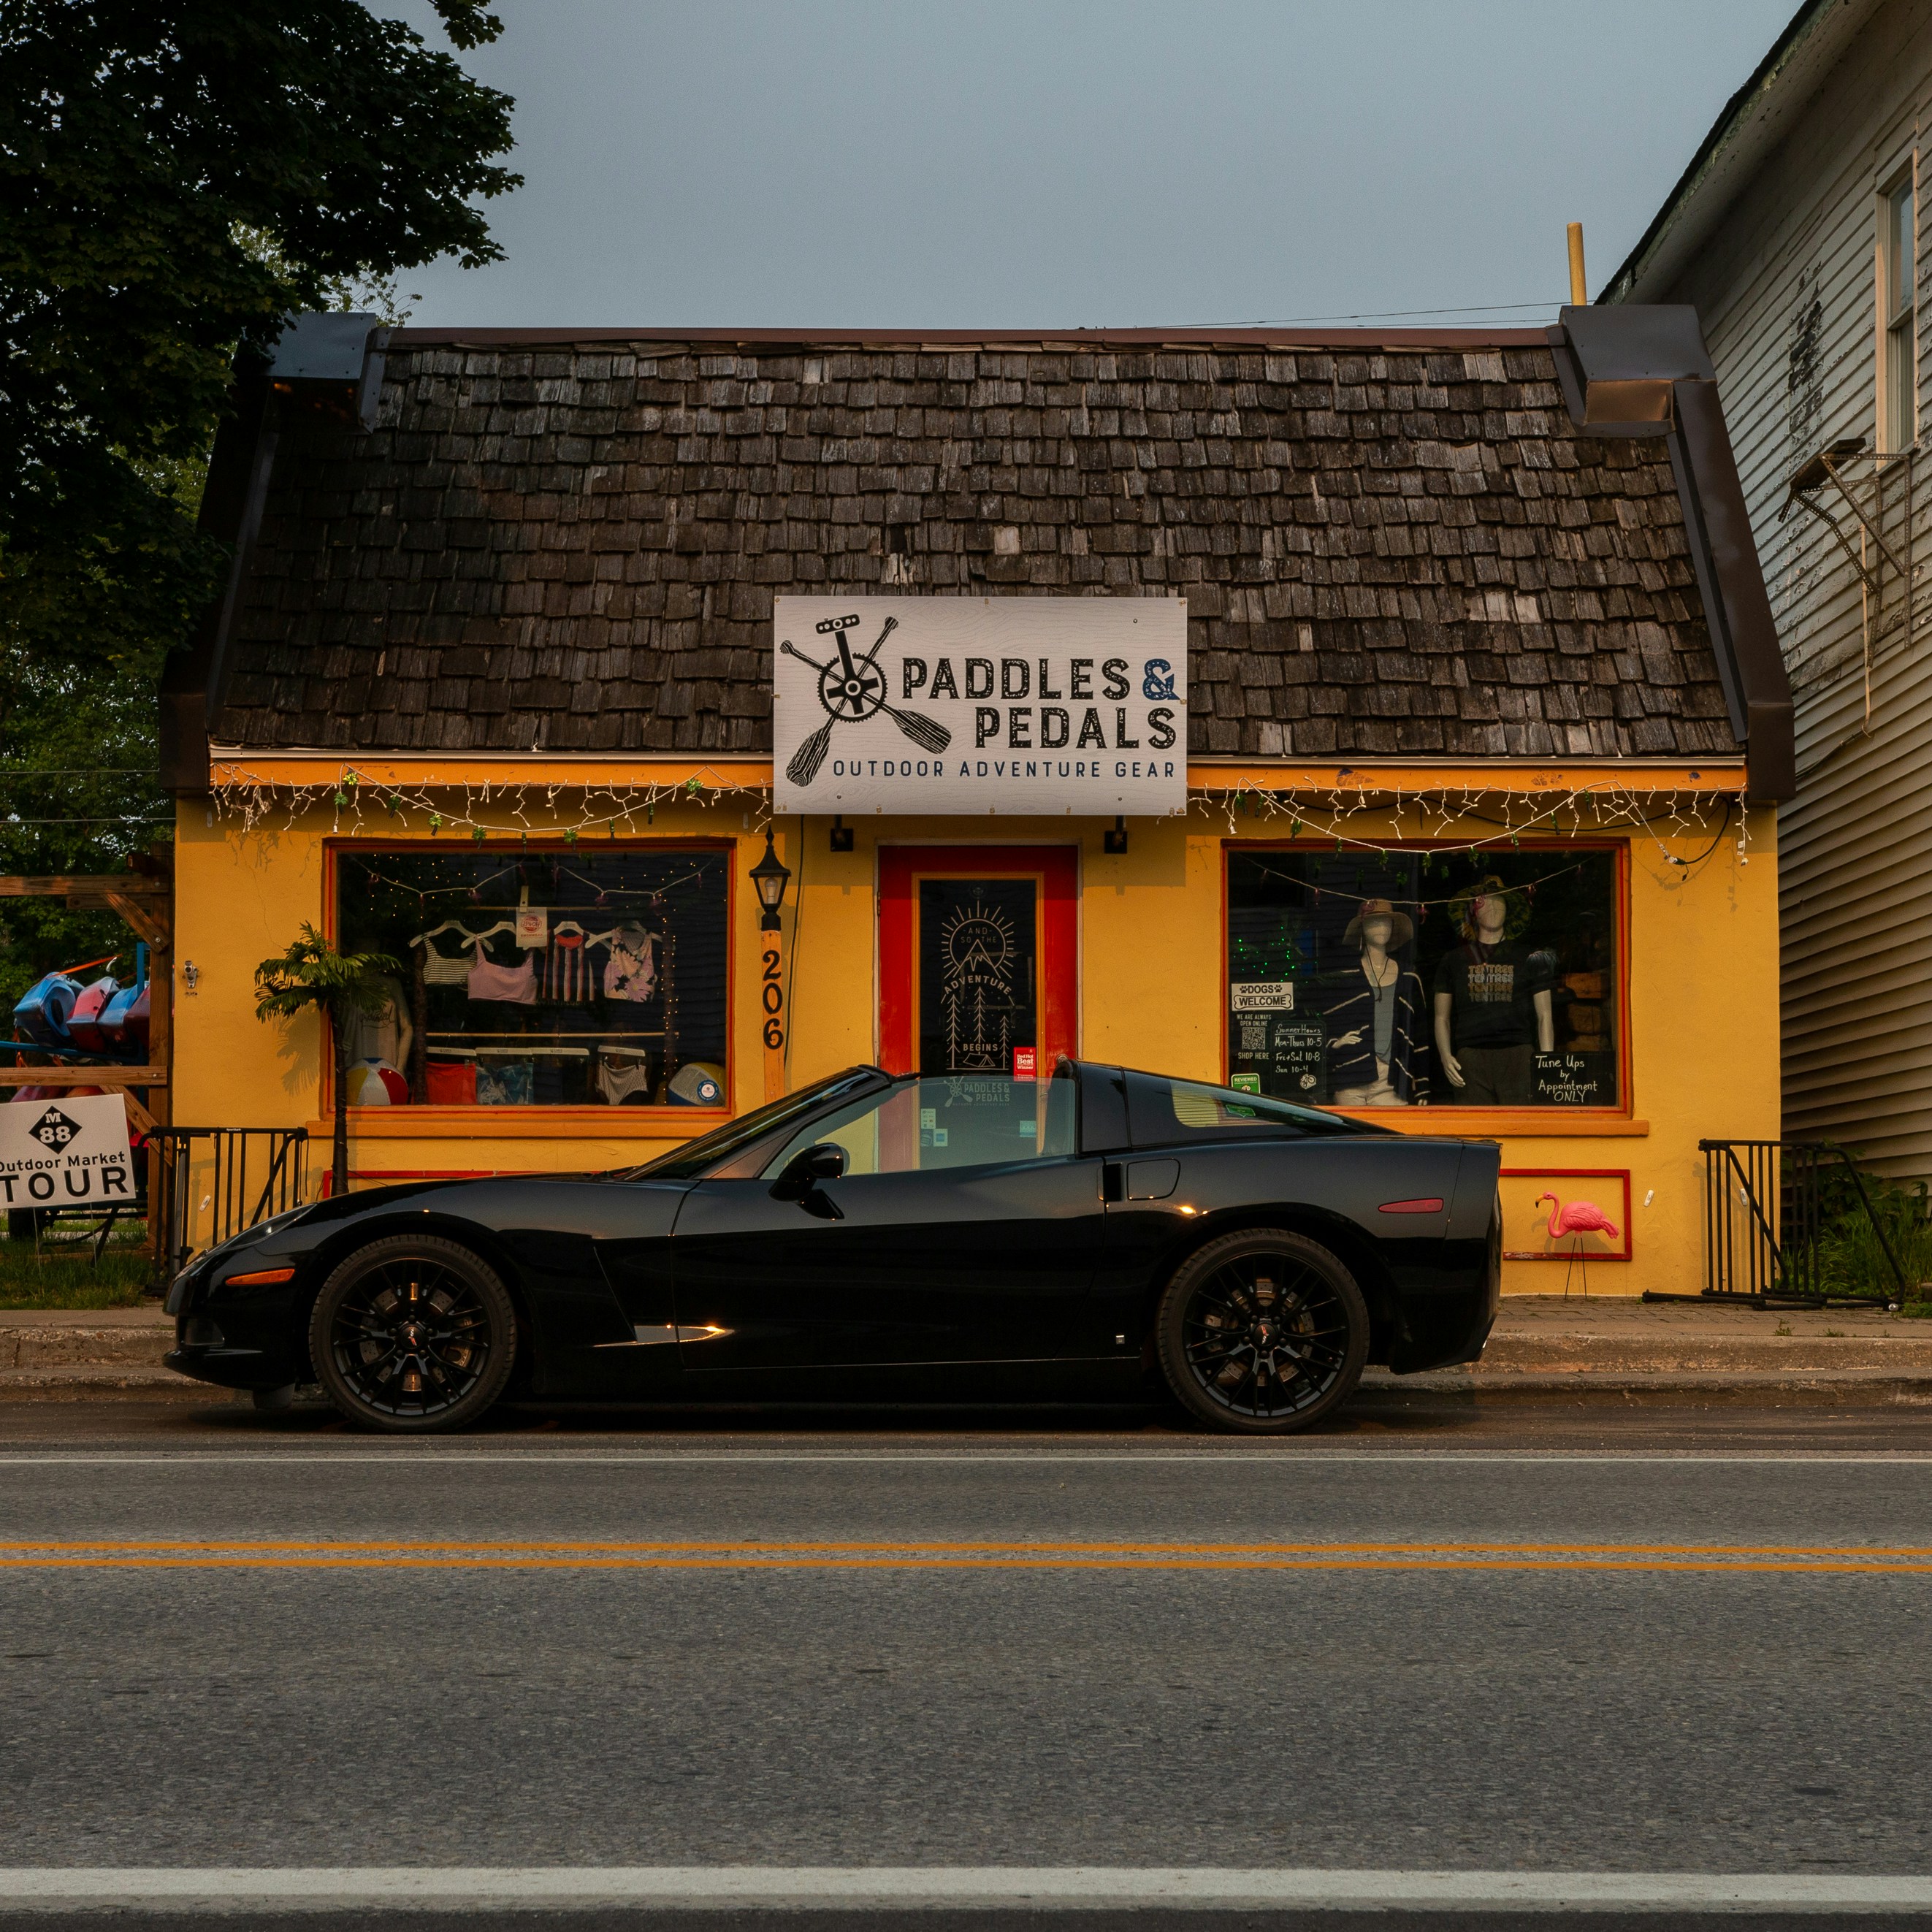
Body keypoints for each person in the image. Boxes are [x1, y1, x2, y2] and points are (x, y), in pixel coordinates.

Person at [1431, 878, 1554, 1105]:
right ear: (1473, 912)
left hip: (1518, 1055)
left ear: (1510, 910)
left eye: (1500, 902)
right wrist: (1445, 1056)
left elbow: (1545, 1015)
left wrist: (1546, 1061)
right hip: (1470, 1058)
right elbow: (1441, 1017)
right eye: (1485, 902)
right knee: (1474, 1132)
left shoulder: (1530, 958)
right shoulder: (1454, 960)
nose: (1494, 907)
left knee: (1522, 1128)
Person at [1325, 898, 1429, 1107]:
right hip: (1349, 1076)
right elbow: (1326, 1025)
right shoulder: (1345, 978)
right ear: (1362, 928)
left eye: (1386, 922)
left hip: (1392, 1078)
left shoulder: (1409, 977)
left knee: (1390, 1138)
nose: (1381, 927)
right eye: (1374, 922)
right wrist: (1335, 1044)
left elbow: (1420, 1036)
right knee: (1352, 1139)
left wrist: (1423, 1086)